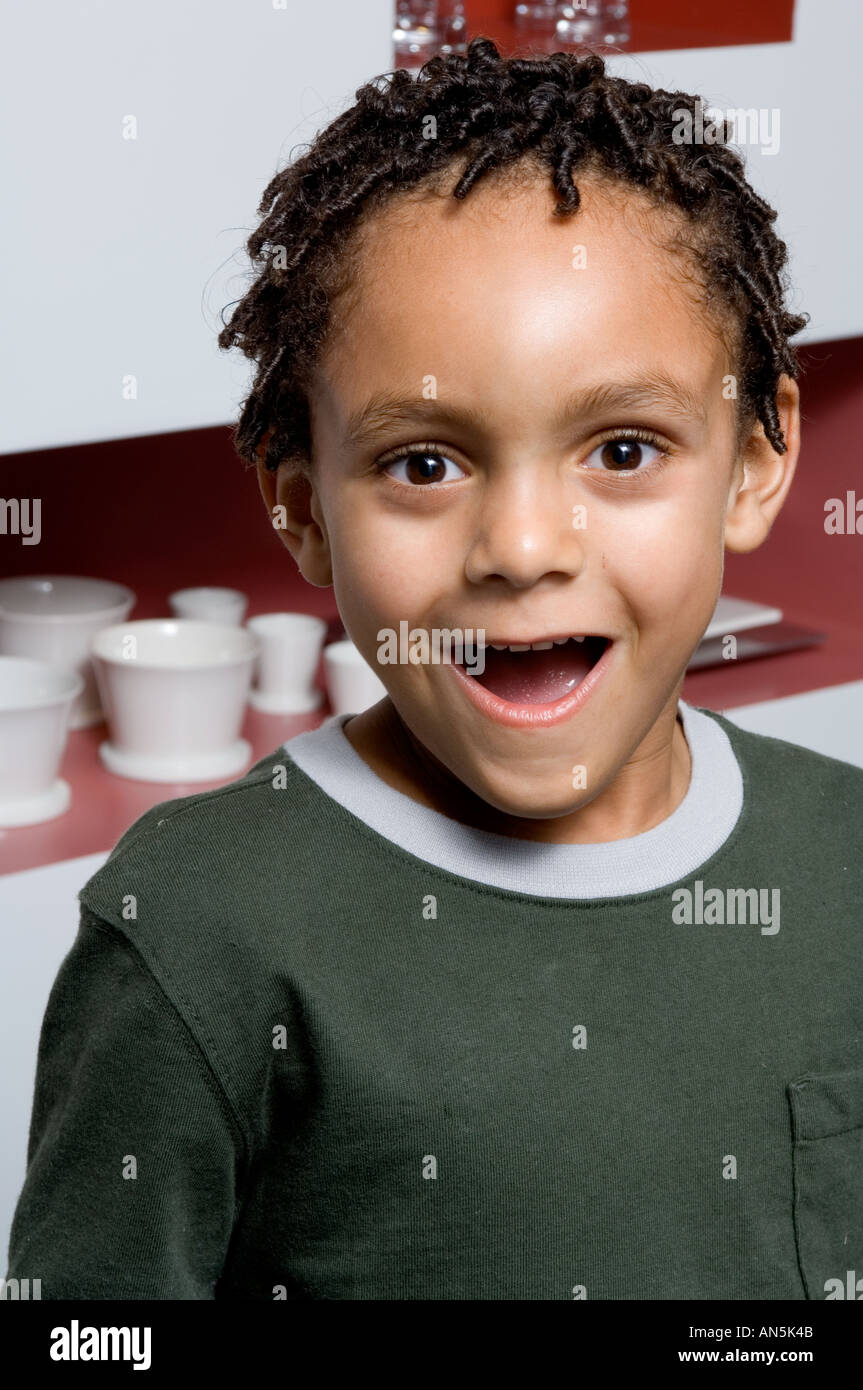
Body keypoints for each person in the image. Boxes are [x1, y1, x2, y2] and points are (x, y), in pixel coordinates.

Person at [7, 38, 862, 1300]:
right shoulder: (195, 930)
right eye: (423, 464)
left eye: (622, 449)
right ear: (302, 510)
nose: (519, 549)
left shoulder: (840, 854)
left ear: (752, 461)